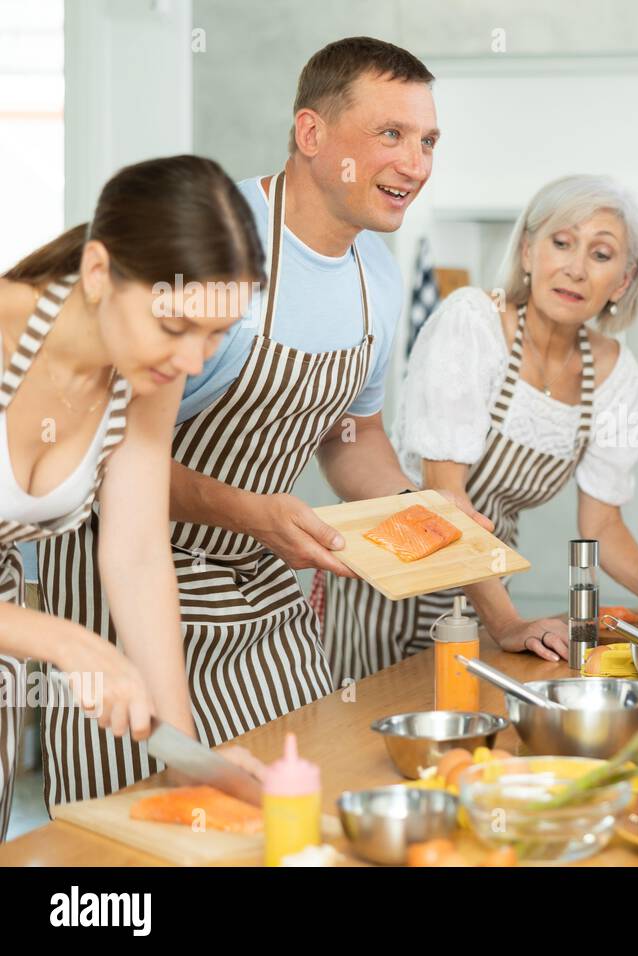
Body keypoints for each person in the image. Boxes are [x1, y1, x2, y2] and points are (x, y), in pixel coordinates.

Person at [36, 37, 479, 805]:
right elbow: (117, 468)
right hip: (128, 573)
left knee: (304, 781)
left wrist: (427, 515)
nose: (416, 163)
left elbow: (353, 435)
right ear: (311, 135)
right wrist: (251, 513)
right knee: (145, 819)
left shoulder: (377, 266)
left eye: (428, 140)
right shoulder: (216, 242)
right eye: (391, 135)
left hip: (260, 580)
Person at [0, 154, 262, 836]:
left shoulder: (149, 364)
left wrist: (186, 755)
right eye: (176, 326)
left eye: (217, 335)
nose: (193, 361)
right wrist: (57, 638)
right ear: (97, 273)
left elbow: (139, 553)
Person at [323, 174, 638, 674]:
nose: (575, 269)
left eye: (600, 254)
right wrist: (507, 625)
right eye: (561, 243)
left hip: (485, 586)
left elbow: (604, 526)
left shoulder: (615, 370)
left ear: (623, 280)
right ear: (528, 251)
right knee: (377, 728)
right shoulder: (474, 323)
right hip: (394, 579)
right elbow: (445, 497)